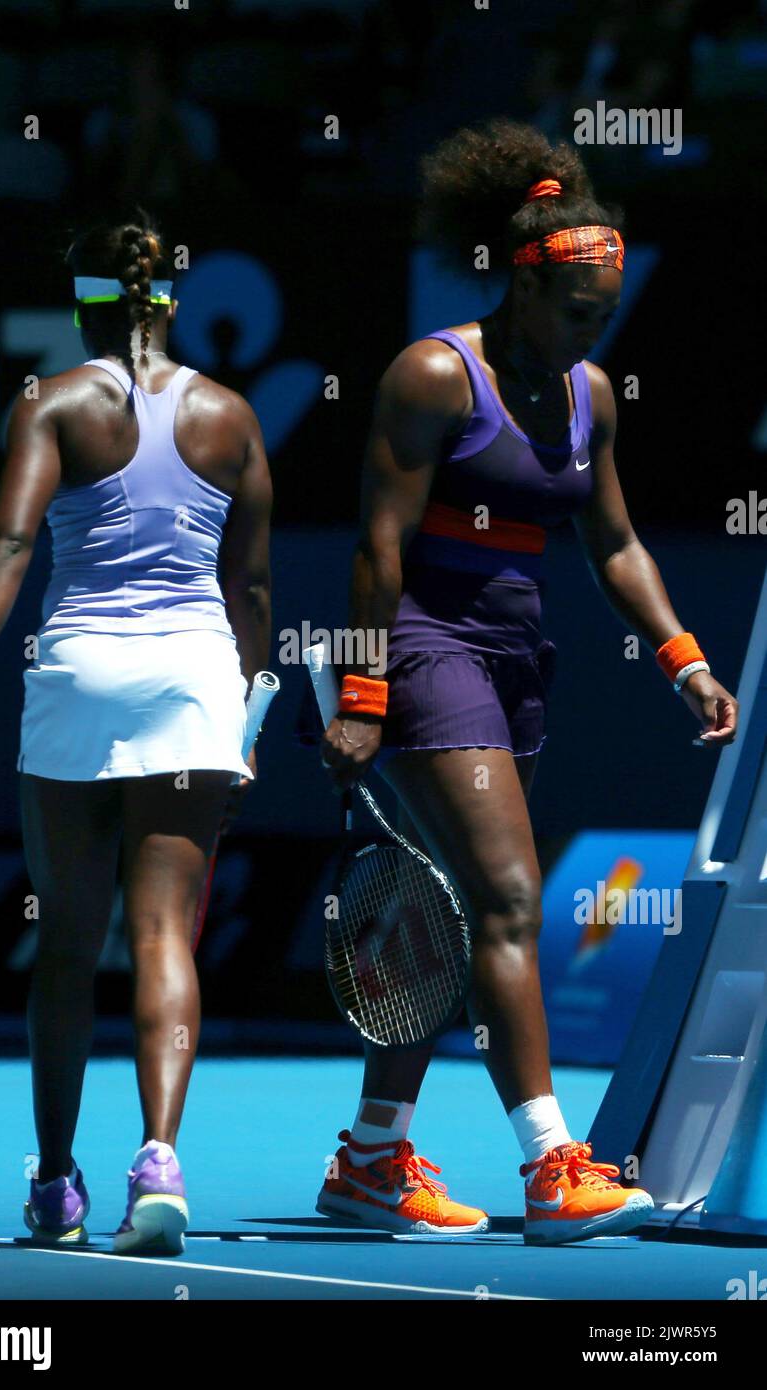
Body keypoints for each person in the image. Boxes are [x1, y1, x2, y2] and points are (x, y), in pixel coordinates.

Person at [316, 118, 738, 1245]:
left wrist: (682, 657)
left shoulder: (594, 394)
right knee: (506, 898)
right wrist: (362, 694)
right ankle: (554, 1166)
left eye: (605, 314)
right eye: (574, 310)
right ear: (518, 280)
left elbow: (616, 545)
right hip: (421, 648)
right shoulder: (432, 376)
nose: (590, 330)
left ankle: (367, 1161)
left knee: (449, 910)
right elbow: (377, 548)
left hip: (516, 660)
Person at [0, 213, 272, 1256]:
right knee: (166, 933)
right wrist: (244, 712)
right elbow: (250, 586)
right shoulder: (232, 414)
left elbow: (10, 537)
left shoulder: (52, 401)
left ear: (80, 306)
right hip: (194, 682)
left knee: (69, 947)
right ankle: (159, 1160)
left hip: (77, 676)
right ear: (167, 299)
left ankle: (54, 1184)